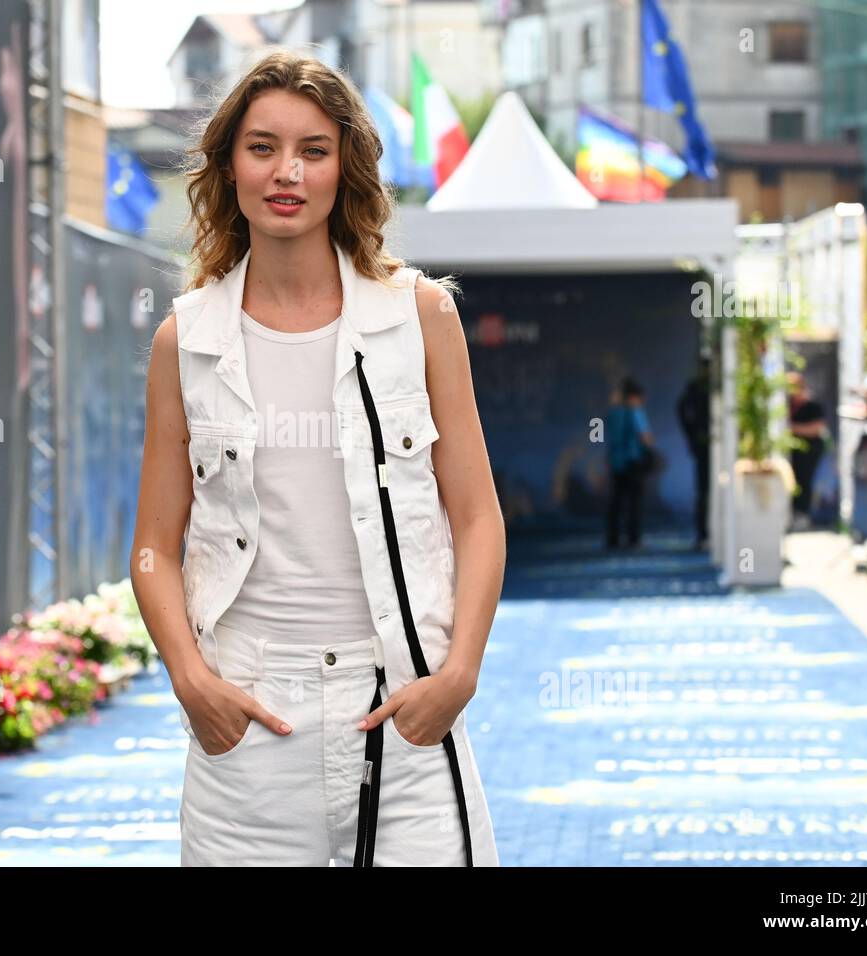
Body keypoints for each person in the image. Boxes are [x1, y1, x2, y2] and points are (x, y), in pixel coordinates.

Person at [129, 52, 501, 867]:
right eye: (262, 147)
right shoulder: (186, 340)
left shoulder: (421, 317)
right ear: (229, 167)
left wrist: (459, 674)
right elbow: (154, 544)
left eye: (314, 150)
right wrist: (192, 682)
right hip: (251, 721)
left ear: (346, 168)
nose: (286, 172)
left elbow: (477, 516)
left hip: (405, 706)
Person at [604, 377, 654, 550]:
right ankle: (633, 538)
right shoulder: (636, 412)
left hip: (616, 462)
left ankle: (613, 538)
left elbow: (601, 435)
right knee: (635, 503)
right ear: (634, 397)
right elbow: (645, 437)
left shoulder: (612, 413)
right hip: (633, 463)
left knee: (616, 503)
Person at [676, 358, 711, 549]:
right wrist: (692, 436)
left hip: (706, 445)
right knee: (704, 490)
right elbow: (683, 412)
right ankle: (703, 534)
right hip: (703, 446)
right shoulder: (696, 389)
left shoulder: (710, 387)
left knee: (707, 490)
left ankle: (707, 534)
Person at [786, 372, 827, 529]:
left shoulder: (813, 406)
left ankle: (802, 513)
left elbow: (817, 428)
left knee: (805, 481)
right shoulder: (788, 405)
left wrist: (793, 428)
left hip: (810, 451)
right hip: (793, 451)